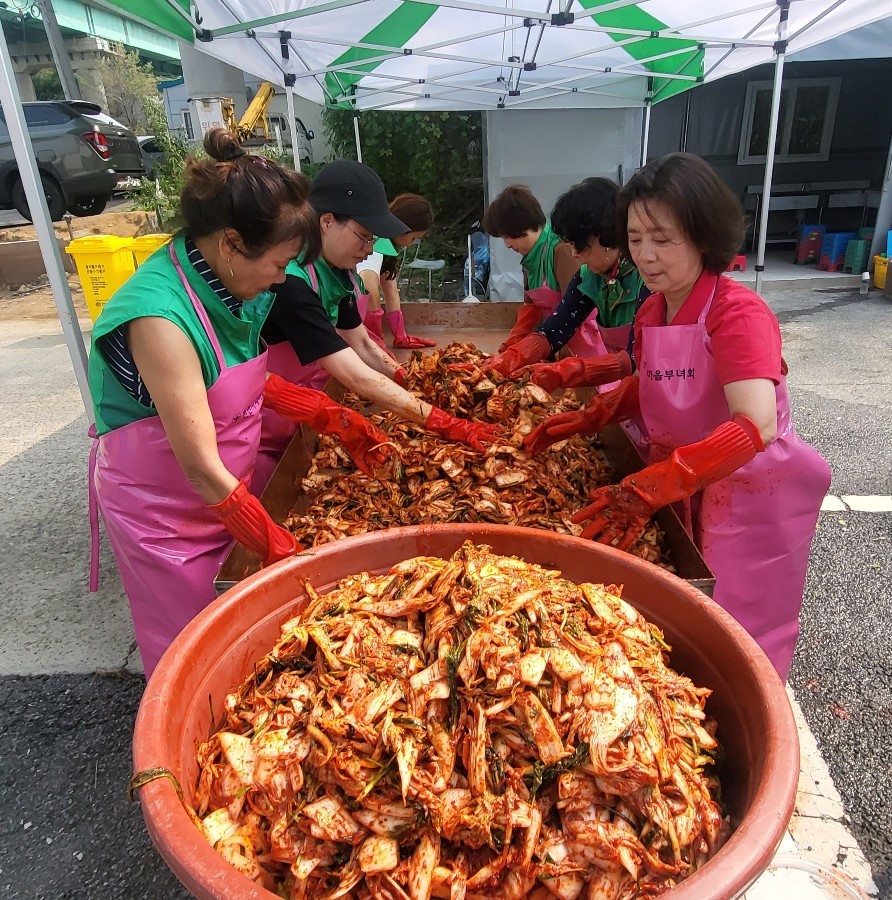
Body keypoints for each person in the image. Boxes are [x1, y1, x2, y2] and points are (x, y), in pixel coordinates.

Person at [88, 129, 390, 677]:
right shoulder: (160, 319)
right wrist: (281, 547)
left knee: (256, 641)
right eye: (279, 264)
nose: (283, 278)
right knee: (200, 655)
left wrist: (328, 413)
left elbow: (239, 384)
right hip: (168, 516)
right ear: (231, 243)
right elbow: (201, 468)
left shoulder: (236, 286)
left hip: (229, 491)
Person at [525, 153, 830, 681]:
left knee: (738, 632)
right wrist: (592, 415)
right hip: (684, 479)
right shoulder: (653, 308)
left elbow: (754, 423)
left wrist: (656, 484)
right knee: (685, 618)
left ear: (703, 234)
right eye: (636, 237)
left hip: (751, 491)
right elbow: (657, 380)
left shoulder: (738, 312)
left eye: (662, 238)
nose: (646, 254)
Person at [257, 160, 500, 492]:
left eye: (372, 239)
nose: (370, 249)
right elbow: (354, 372)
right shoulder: (291, 283)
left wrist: (411, 379)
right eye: (363, 237)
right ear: (326, 222)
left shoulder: (335, 270)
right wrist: (443, 422)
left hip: (306, 406)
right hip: (266, 418)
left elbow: (363, 344)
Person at [477, 177, 649, 393]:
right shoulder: (589, 275)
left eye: (579, 245)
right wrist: (511, 358)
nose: (575, 254)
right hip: (623, 384)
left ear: (605, 235)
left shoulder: (648, 279)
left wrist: (565, 371)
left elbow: (637, 357)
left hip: (650, 388)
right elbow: (555, 329)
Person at [482, 184, 578, 350]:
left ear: (521, 227)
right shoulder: (530, 258)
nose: (507, 245)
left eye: (507, 237)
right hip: (553, 343)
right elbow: (531, 307)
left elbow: (576, 311)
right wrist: (512, 343)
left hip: (576, 345)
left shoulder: (560, 250)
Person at [357, 193, 438, 351]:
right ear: (404, 228)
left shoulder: (387, 244)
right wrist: (376, 342)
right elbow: (368, 288)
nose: (410, 244)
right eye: (414, 238)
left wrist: (400, 335)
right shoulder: (374, 241)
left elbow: (390, 288)